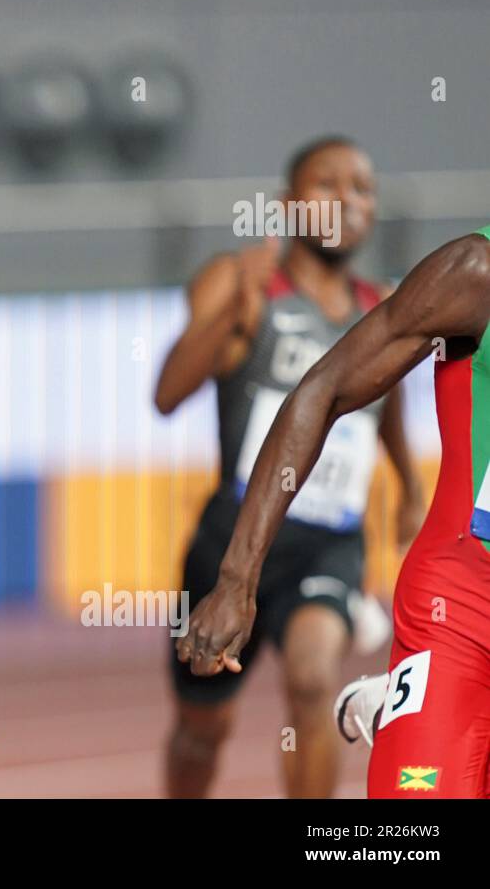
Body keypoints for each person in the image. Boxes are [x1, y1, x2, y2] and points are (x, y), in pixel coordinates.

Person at [177, 227, 490, 798]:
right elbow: (322, 390)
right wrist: (235, 580)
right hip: (462, 605)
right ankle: (424, 708)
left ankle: (399, 710)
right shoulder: (474, 273)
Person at [156, 137, 424, 797]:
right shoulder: (245, 282)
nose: (347, 200)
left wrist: (412, 489)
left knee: (312, 680)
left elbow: (381, 410)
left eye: (361, 188)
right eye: (327, 184)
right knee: (201, 727)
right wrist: (232, 302)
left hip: (330, 539)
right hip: (233, 539)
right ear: (287, 205)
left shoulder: (384, 305)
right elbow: (167, 394)